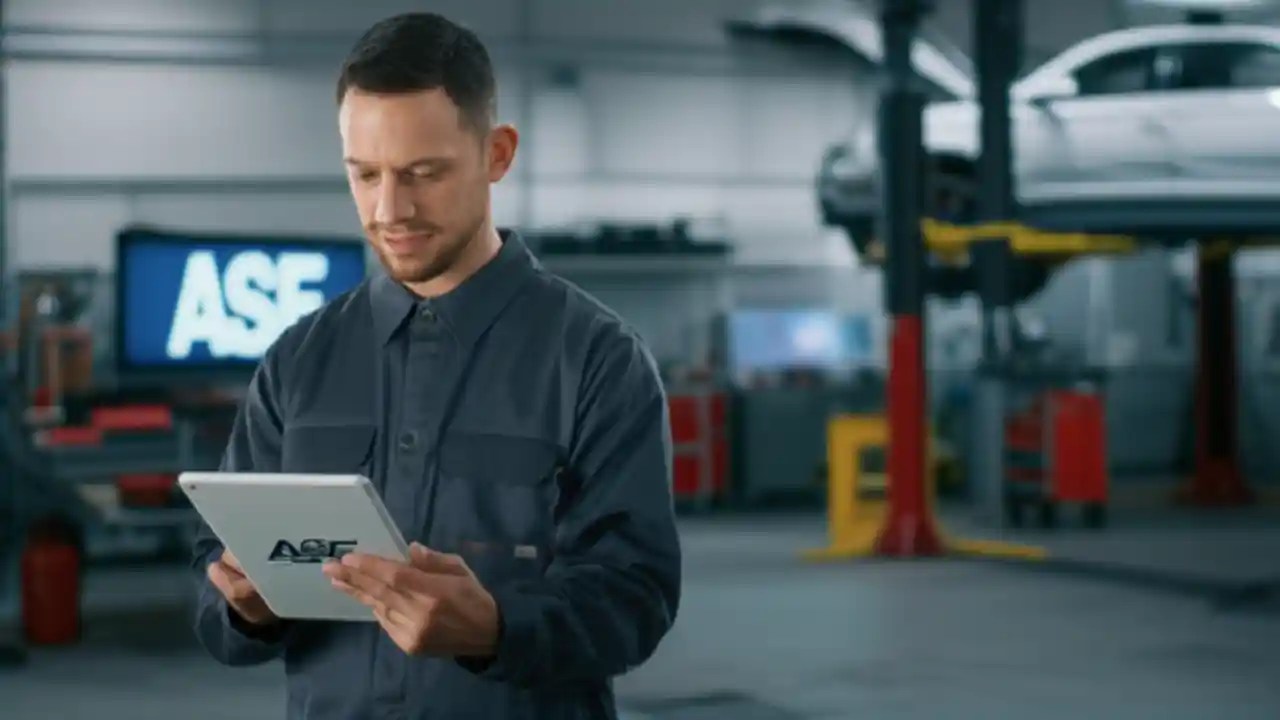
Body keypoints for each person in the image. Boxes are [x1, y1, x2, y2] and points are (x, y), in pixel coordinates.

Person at [190, 11, 682, 719]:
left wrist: (497, 629)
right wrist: (243, 605)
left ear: (497, 154)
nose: (390, 208)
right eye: (365, 175)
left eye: (423, 173)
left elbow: (636, 598)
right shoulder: (298, 362)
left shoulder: (599, 361)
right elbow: (213, 589)